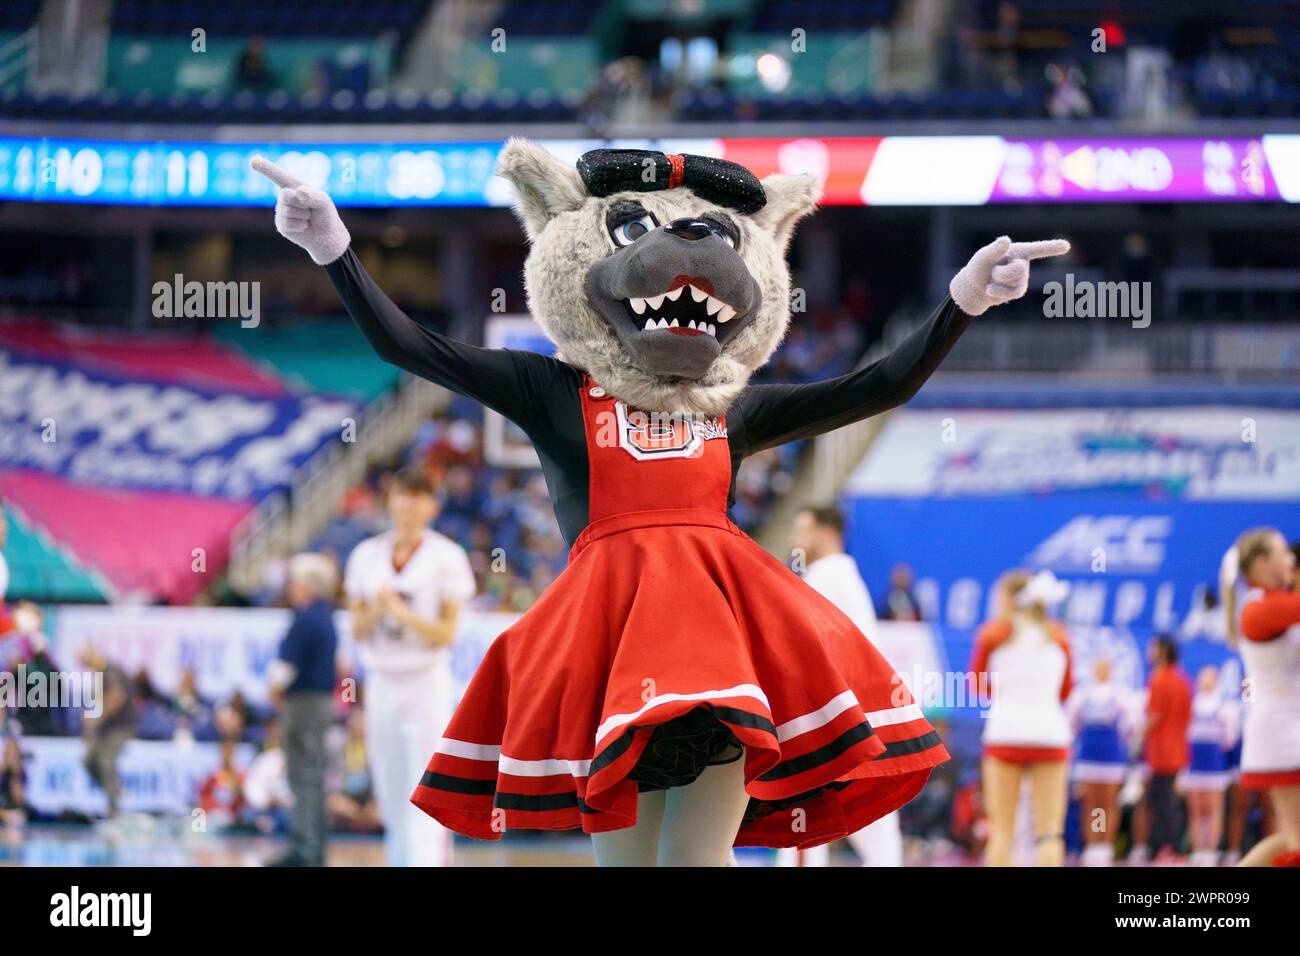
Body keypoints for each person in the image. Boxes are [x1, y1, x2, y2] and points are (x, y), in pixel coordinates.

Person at [252, 141, 1065, 865]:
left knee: (697, 861)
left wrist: (960, 303)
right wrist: (336, 251)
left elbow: (874, 386)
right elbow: (409, 344)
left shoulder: (730, 408)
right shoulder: (552, 390)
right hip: (616, 658)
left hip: (722, 669)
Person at [344, 467, 475, 867]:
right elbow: (357, 628)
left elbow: (447, 634)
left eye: (417, 497)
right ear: (390, 500)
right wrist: (379, 610)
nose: (406, 505)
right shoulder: (366, 556)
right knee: (390, 788)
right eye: (401, 495)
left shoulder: (446, 556)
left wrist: (400, 613)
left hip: (425, 679)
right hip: (383, 679)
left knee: (427, 784)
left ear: (432, 506)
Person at [776, 505, 902, 867]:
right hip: (853, 711)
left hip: (837, 714)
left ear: (827, 533)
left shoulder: (826, 577)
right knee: (869, 821)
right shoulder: (840, 577)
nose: (794, 540)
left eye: (802, 530)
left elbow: (802, 651)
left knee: (807, 816)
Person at [971, 569, 1073, 867]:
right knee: (1049, 832)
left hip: (1006, 733)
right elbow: (1066, 690)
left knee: (1002, 830)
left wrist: (1007, 690)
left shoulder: (992, 634)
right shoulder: (1060, 637)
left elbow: (976, 684)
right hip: (1049, 735)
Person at [1221, 527, 1300, 866]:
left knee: (1291, 838)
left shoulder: (1272, 603)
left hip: (1286, 726)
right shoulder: (1257, 608)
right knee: (1295, 840)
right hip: (1279, 733)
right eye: (1284, 552)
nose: (1290, 559)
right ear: (1262, 562)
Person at [267, 551, 340, 866]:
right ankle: (315, 845)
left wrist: (274, 690)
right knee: (313, 774)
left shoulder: (306, 617)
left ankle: (304, 848)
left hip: (304, 703)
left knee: (302, 775)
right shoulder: (327, 617)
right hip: (320, 702)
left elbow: (285, 667)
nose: (291, 587)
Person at [1067, 657, 1140, 866]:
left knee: (1107, 803)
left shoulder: (1120, 696)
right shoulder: (1082, 695)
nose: (1101, 671)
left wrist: (1121, 744)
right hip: (1089, 757)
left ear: (1111, 670)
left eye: (1105, 667)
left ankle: (1105, 844)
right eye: (1097, 667)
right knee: (1091, 803)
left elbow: (1131, 726)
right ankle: (1092, 844)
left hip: (1111, 758)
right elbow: (1072, 724)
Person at [1138, 635, 1192, 863]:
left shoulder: (1158, 679)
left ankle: (1168, 847)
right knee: (1164, 800)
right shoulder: (1183, 680)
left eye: (1153, 648)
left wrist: (1138, 736)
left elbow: (1155, 716)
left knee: (1161, 802)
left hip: (1162, 750)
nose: (1149, 651)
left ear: (1162, 651)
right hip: (1178, 748)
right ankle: (1170, 846)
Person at [1183, 666, 1239, 865]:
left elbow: (1230, 739)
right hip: (1194, 764)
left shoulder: (1224, 706)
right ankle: (1197, 848)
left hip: (1214, 764)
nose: (1206, 682)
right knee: (1196, 810)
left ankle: (1210, 850)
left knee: (1213, 809)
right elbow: (1184, 734)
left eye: (1210, 678)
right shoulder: (1191, 705)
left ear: (1217, 681)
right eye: (1203, 677)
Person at [79, 646, 136, 820]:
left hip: (120, 727)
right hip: (106, 729)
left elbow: (116, 697)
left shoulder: (109, 671)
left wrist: (97, 718)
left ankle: (115, 810)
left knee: (106, 761)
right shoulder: (98, 675)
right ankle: (116, 794)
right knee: (89, 760)